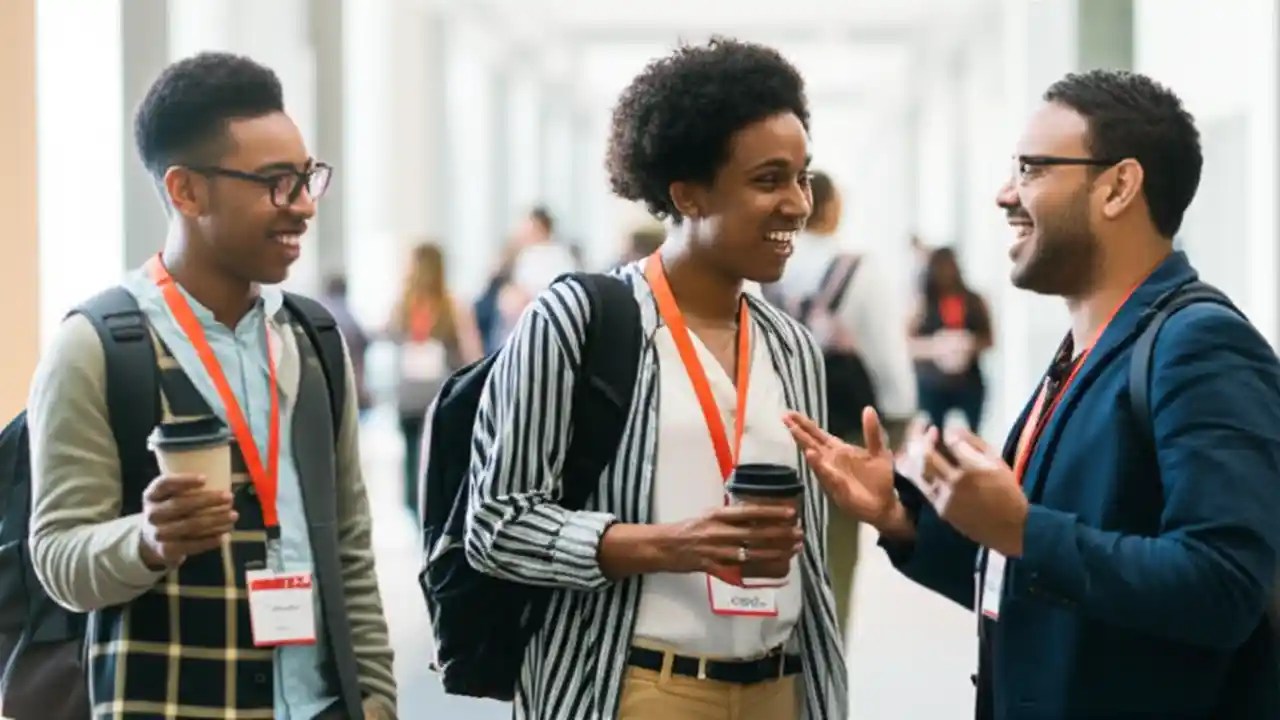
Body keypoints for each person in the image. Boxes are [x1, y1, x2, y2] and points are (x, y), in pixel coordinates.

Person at [785, 69, 1280, 718]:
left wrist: (1023, 528)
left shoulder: (1201, 345)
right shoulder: (1087, 349)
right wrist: (905, 519)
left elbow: (1223, 587)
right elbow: (1037, 581)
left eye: (1031, 168)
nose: (1003, 194)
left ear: (1119, 187)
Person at [464, 37, 846, 720]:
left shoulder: (793, 348)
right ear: (688, 194)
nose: (797, 204)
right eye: (768, 180)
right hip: (642, 690)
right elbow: (497, 524)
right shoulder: (581, 321)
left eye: (802, 177)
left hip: (777, 688)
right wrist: (668, 545)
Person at [25, 52, 396, 719]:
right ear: (186, 192)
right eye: (277, 183)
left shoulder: (311, 341)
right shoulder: (98, 346)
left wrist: (375, 700)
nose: (305, 207)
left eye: (308, 178)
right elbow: (55, 557)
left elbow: (347, 546)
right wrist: (147, 540)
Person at [769, 169, 916, 640]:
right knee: (835, 556)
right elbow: (888, 359)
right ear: (832, 210)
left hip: (772, 430)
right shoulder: (857, 270)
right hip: (841, 433)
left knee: (768, 547)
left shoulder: (766, 266)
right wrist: (899, 423)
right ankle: (824, 659)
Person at [388, 241, 482, 511]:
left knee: (412, 469)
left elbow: (388, 333)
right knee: (437, 469)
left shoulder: (405, 304)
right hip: (439, 398)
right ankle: (431, 522)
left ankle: (419, 517)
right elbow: (472, 354)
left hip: (410, 399)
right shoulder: (450, 306)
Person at [909, 247, 993, 431]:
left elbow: (989, 339)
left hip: (968, 383)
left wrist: (968, 343)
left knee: (970, 436)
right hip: (933, 384)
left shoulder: (974, 301)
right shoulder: (923, 305)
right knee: (933, 437)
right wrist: (935, 347)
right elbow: (908, 344)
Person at [319, 274, 373, 417]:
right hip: (350, 382)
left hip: (325, 384)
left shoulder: (319, 314)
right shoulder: (350, 317)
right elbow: (364, 343)